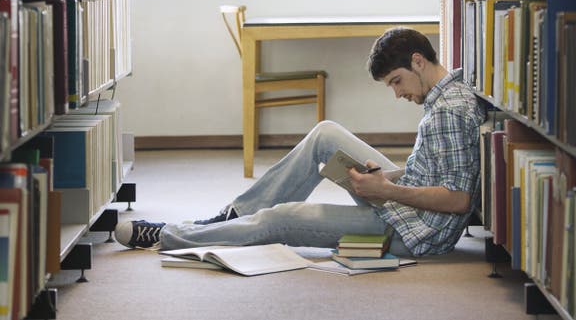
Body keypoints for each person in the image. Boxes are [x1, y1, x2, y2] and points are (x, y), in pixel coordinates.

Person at [114, 26, 486, 257]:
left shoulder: (448, 111)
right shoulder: (445, 95)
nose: (397, 93)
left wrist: (386, 190)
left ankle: (170, 235)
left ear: (418, 61)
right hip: (404, 203)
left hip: (414, 232)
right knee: (325, 133)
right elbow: (436, 169)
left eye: (396, 82)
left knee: (280, 218)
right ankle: (236, 215)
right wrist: (386, 178)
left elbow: (458, 200)